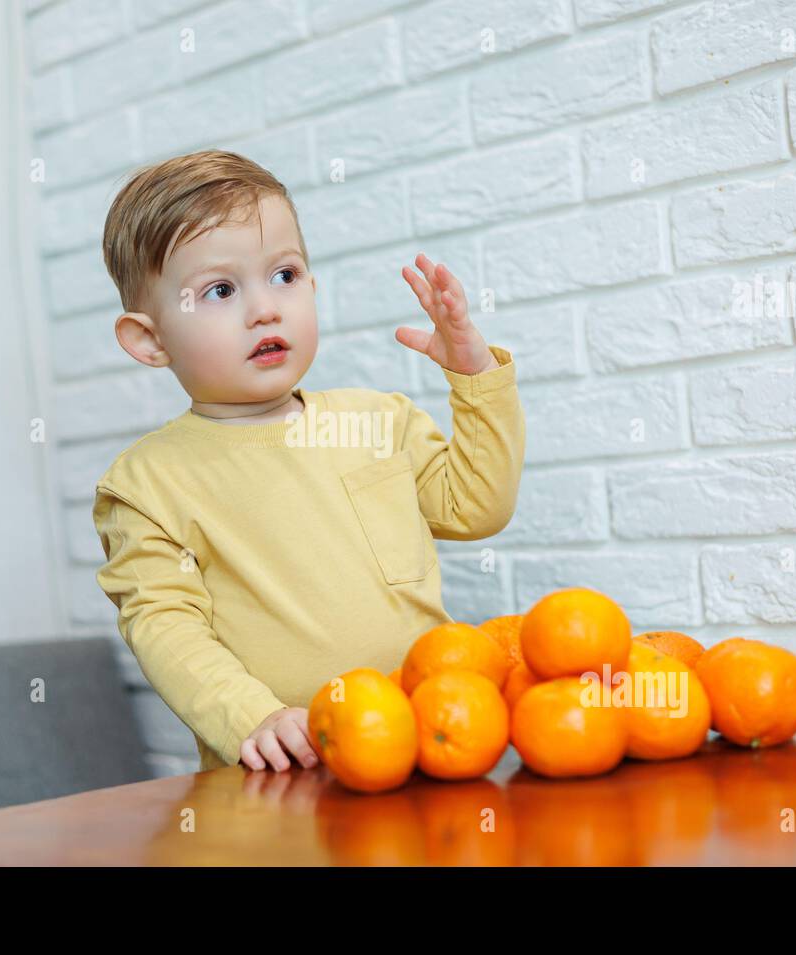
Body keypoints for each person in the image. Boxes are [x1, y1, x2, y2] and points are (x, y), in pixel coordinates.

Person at [93, 149, 524, 773]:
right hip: (287, 774)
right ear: (151, 339)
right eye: (220, 290)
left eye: (285, 276)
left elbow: (477, 508)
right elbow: (166, 628)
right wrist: (253, 719)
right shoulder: (146, 485)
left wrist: (475, 375)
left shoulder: (380, 421)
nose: (265, 308)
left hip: (429, 743)